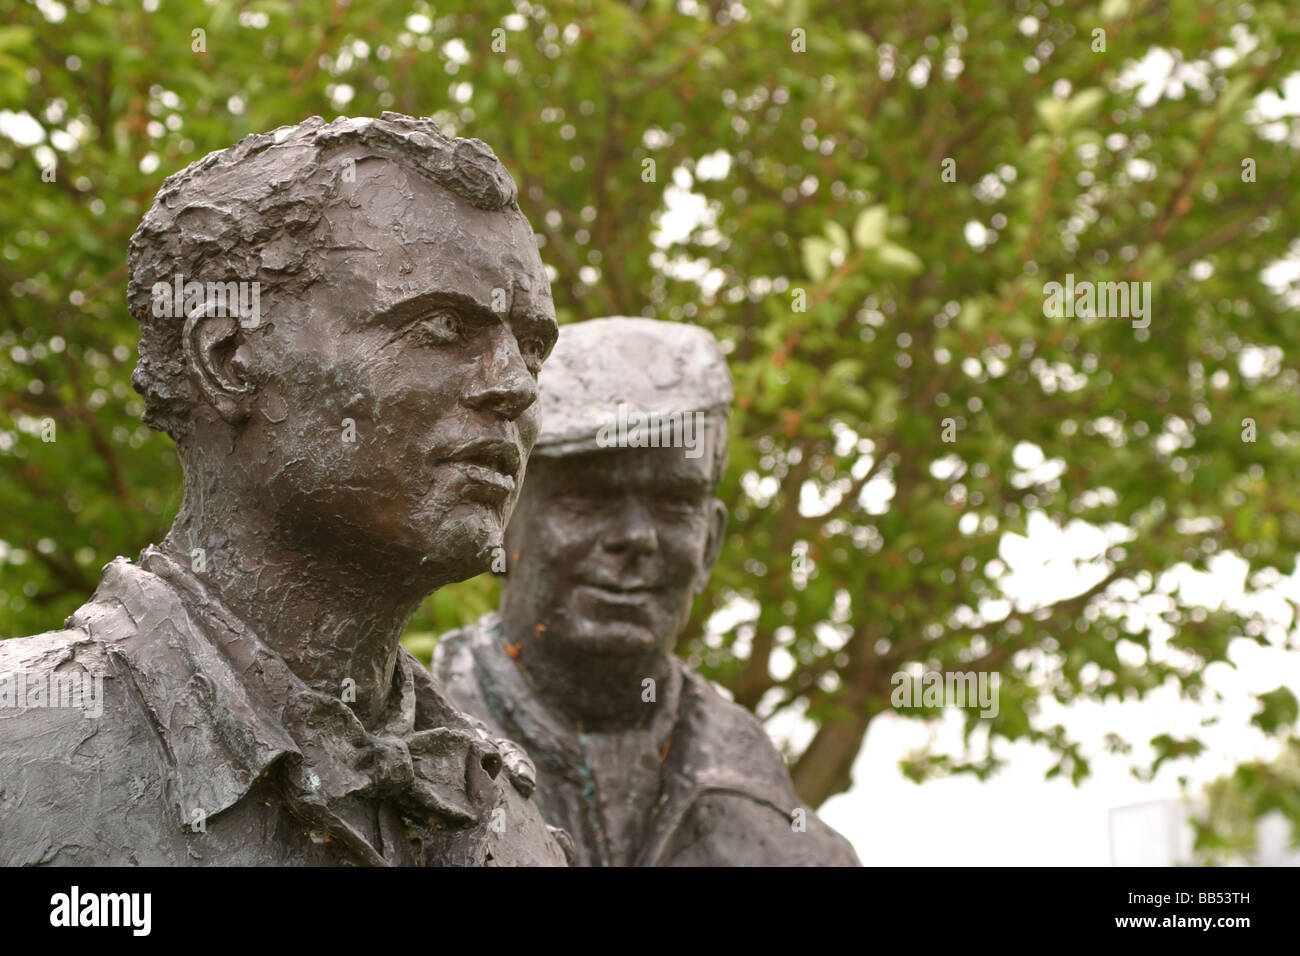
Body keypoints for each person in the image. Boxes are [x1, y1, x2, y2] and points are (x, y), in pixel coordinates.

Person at [0, 113, 569, 866]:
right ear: (230, 358)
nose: (514, 387)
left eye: (530, 347)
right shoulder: (20, 750)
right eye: (440, 325)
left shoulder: (514, 832)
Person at [434, 317, 860, 866]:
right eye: (588, 496)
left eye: (674, 501)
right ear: (501, 520)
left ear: (710, 544)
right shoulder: (398, 767)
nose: (636, 537)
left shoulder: (787, 840)